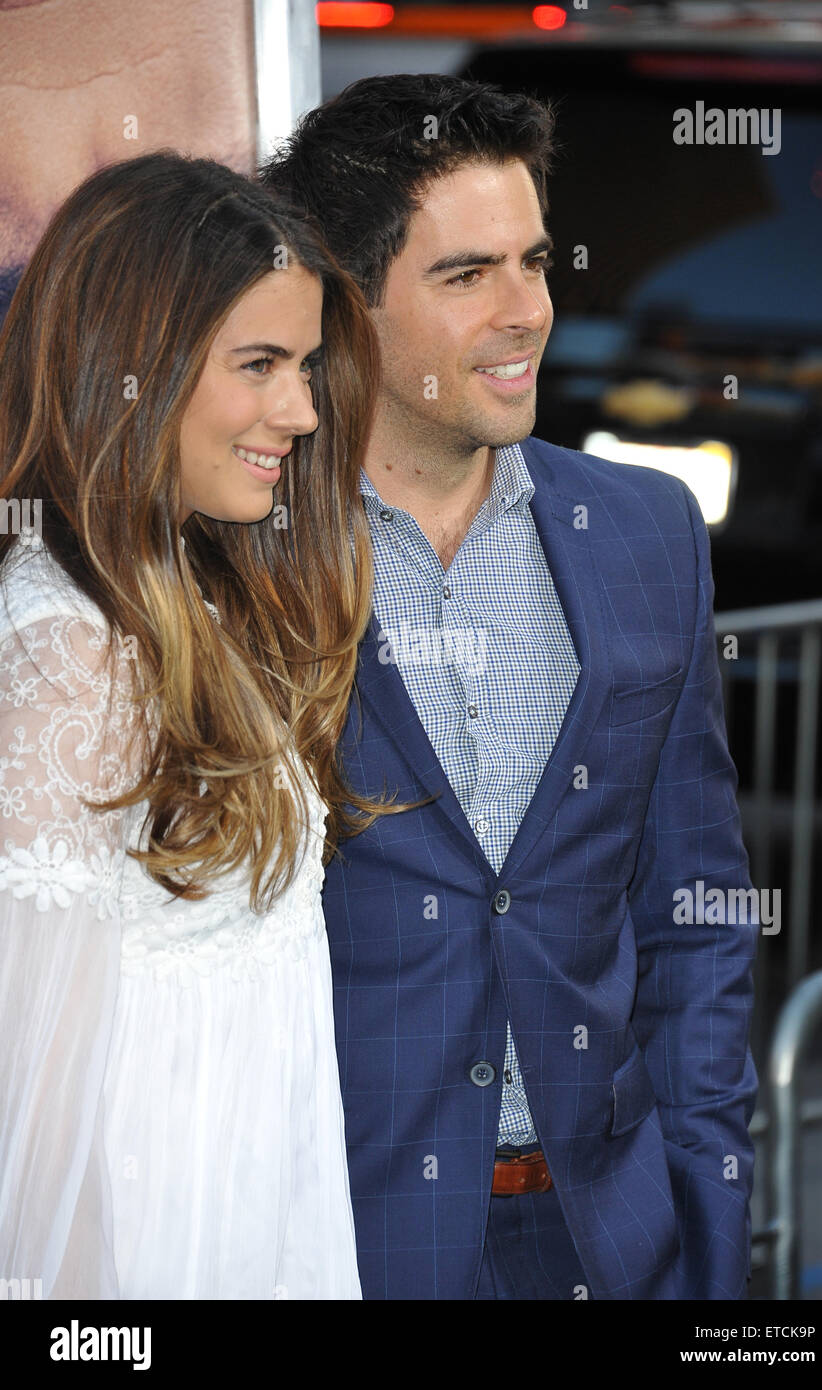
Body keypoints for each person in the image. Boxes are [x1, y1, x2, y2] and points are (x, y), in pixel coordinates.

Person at [261, 73, 761, 1301]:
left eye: (533, 262)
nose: (527, 310)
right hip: (342, 1243)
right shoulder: (245, 553)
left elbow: (695, 908)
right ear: (346, 305)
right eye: (466, 274)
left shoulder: (643, 533)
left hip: (611, 1240)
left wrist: (705, 1200)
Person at [0, 150, 396, 1299]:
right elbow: (34, 1134)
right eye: (260, 364)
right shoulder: (65, 656)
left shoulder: (192, 591)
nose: (304, 411)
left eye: (307, 366)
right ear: (131, 364)